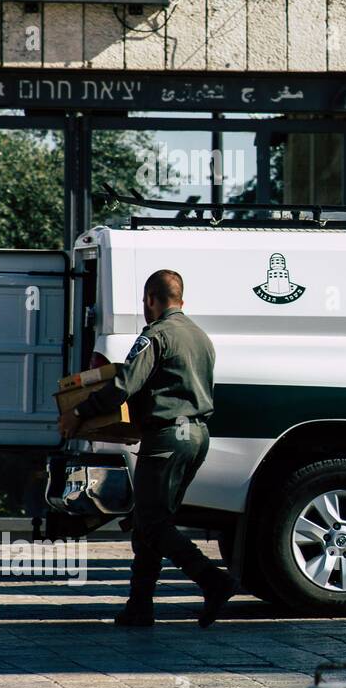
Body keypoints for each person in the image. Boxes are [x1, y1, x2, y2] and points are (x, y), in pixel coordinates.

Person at [58, 269, 237, 628]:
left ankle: (212, 581)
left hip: (168, 439)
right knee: (151, 522)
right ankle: (139, 606)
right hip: (197, 436)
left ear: (150, 300)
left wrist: (79, 411)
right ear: (181, 300)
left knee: (152, 523)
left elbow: (123, 385)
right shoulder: (201, 337)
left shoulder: (157, 336)